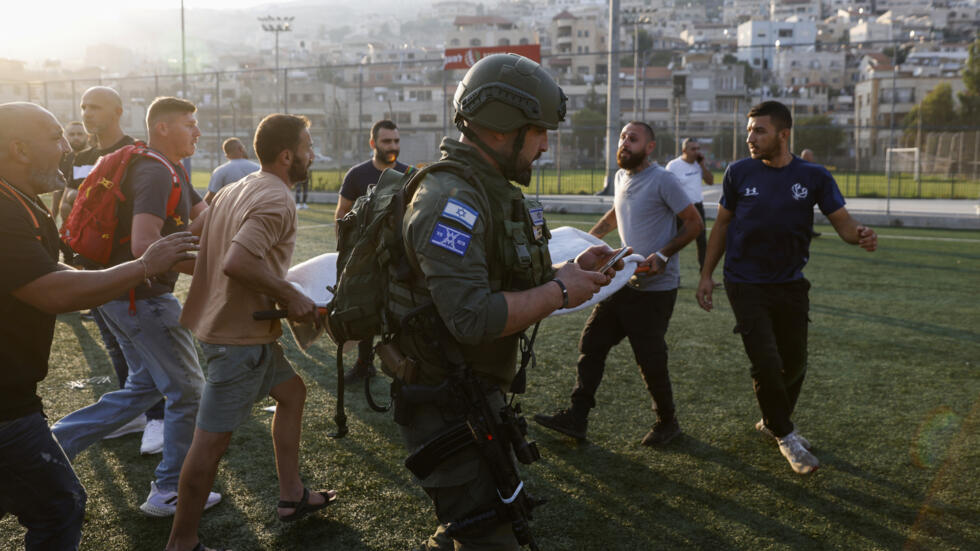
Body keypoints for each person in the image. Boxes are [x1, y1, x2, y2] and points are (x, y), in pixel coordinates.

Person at [388, 53, 620, 550]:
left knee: (475, 527)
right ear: (500, 126)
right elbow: (472, 316)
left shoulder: (488, 191)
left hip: (471, 393)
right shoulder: (451, 202)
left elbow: (499, 281)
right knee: (487, 537)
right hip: (442, 401)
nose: (544, 145)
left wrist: (569, 273)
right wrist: (560, 293)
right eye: (538, 131)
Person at [0, 101, 197, 551]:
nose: (69, 147)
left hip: (14, 399)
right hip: (5, 407)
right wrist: (143, 266)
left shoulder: (22, 203)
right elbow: (51, 292)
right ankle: (169, 489)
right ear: (19, 149)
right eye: (55, 138)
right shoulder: (4, 209)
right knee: (59, 505)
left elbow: (60, 277)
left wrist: (124, 273)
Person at [166, 113, 337, 551]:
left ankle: (292, 495)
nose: (311, 154)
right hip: (235, 339)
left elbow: (196, 238)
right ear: (287, 156)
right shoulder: (276, 199)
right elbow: (238, 262)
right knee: (210, 445)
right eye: (307, 147)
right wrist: (289, 294)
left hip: (237, 330)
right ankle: (181, 542)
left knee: (293, 393)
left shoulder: (234, 188)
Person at [51, 96, 221, 516]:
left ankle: (52, 442)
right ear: (162, 128)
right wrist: (217, 273)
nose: (197, 131)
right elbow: (147, 248)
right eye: (189, 123)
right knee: (188, 392)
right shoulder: (155, 172)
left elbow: (207, 215)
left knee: (143, 387)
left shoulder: (171, 167)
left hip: (119, 299)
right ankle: (169, 490)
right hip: (142, 299)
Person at [695, 101, 877, 474]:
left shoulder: (814, 176)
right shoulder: (738, 172)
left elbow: (843, 224)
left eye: (758, 130)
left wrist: (860, 235)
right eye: (748, 130)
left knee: (794, 362)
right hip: (744, 282)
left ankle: (772, 419)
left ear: (783, 134)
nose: (750, 137)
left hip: (791, 283)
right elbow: (722, 227)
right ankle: (786, 434)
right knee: (766, 359)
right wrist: (705, 274)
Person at [534, 122, 703, 446]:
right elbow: (616, 214)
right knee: (591, 344)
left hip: (655, 290)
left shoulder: (663, 179)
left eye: (633, 138)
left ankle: (668, 423)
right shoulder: (621, 176)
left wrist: (663, 255)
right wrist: (586, 241)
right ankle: (577, 417)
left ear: (649, 147)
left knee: (650, 359)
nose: (624, 143)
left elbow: (694, 223)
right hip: (621, 282)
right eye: (623, 137)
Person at [60, 86, 169, 453]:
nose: (88, 113)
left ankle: (158, 418)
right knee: (114, 343)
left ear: (119, 111)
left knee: (142, 348)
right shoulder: (82, 156)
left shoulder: (135, 154)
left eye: (97, 107)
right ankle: (136, 414)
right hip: (91, 267)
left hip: (125, 268)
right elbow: (70, 203)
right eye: (84, 107)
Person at [335, 119, 409, 384]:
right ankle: (364, 365)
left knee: (401, 313)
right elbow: (342, 214)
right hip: (365, 259)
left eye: (396, 141)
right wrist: (345, 256)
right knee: (364, 308)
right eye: (387, 141)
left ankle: (402, 369)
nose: (393, 146)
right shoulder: (357, 175)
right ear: (373, 143)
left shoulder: (408, 174)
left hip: (397, 258)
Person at [665, 137, 714, 271]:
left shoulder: (699, 164)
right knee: (674, 243)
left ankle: (705, 274)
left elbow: (710, 181)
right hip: (680, 209)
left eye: (698, 149)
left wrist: (703, 165)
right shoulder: (674, 166)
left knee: (702, 242)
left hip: (697, 207)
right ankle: (671, 274)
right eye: (693, 149)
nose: (696, 152)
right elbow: (667, 188)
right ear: (684, 150)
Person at [203, 137, 259, 204]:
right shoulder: (258, 168)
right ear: (241, 149)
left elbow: (210, 198)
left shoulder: (220, 171)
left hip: (228, 213)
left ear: (226, 154)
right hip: (253, 211)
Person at [52, 120, 88, 222]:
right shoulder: (62, 159)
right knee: (65, 207)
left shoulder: (95, 157)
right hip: (68, 207)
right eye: (72, 134)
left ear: (87, 136)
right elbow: (58, 189)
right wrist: (53, 216)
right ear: (66, 137)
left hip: (88, 203)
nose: (76, 137)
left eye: (80, 134)